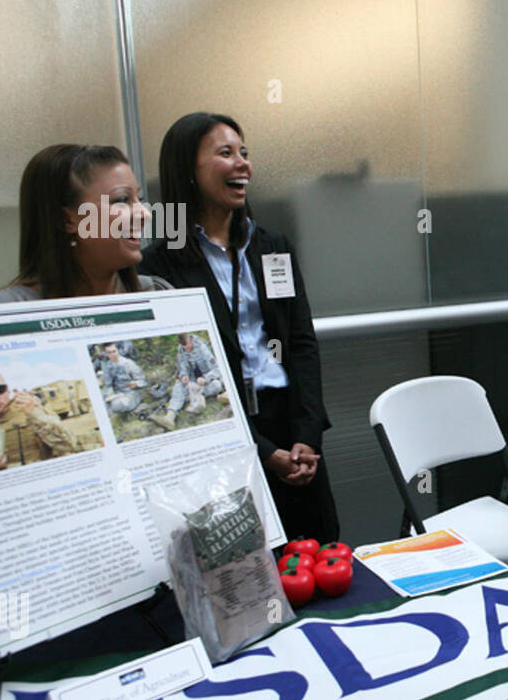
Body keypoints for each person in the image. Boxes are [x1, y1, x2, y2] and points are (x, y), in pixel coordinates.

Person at [139, 112, 338, 542]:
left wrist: (307, 435)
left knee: (319, 551)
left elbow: (301, 344)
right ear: (186, 171)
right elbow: (183, 371)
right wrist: (263, 452)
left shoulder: (272, 246)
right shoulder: (161, 264)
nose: (243, 164)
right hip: (224, 435)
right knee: (249, 569)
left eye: (244, 153)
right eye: (225, 153)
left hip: (290, 423)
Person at [0, 144, 172, 303]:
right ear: (66, 220)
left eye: (139, 198)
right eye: (122, 200)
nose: (145, 214)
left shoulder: (158, 293)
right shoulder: (9, 310)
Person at [152, 333, 226, 430]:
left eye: (187, 346)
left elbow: (217, 369)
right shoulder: (181, 350)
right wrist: (184, 376)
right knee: (178, 386)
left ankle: (193, 398)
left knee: (216, 385)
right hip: (193, 380)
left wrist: (205, 378)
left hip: (208, 379)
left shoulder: (202, 348)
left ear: (191, 340)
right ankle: (170, 417)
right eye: (184, 347)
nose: (186, 349)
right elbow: (182, 367)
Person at [100, 343, 148, 415]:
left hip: (131, 394)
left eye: (114, 351)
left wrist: (136, 384)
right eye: (109, 352)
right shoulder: (107, 367)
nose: (113, 354)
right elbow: (108, 385)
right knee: (100, 402)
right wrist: (108, 395)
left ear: (117, 350)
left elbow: (143, 381)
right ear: (106, 354)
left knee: (116, 405)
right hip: (117, 394)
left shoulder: (128, 363)